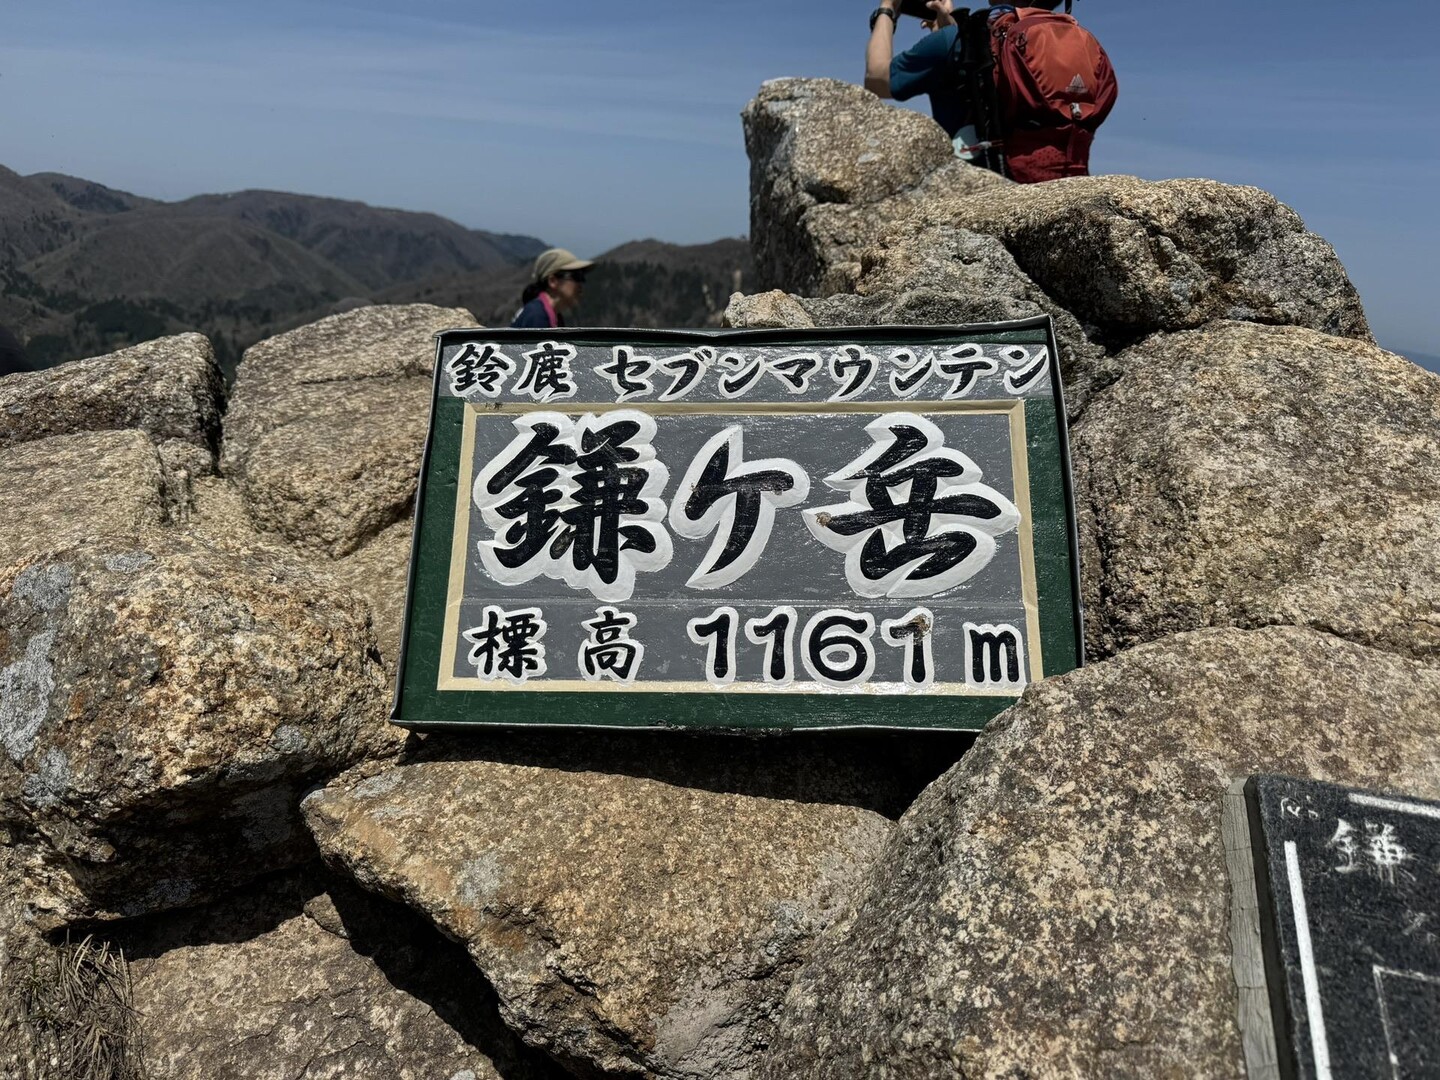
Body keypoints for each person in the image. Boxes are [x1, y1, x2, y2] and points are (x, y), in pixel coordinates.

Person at [864, 0, 1115, 183]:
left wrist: (888, 9)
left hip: (984, 199)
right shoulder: (1082, 45)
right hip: (1066, 194)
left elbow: (877, 79)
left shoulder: (956, 40)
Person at [511, 248, 594, 329]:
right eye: (577, 276)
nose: (581, 283)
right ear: (552, 281)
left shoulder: (553, 316)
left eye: (582, 277)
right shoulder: (537, 316)